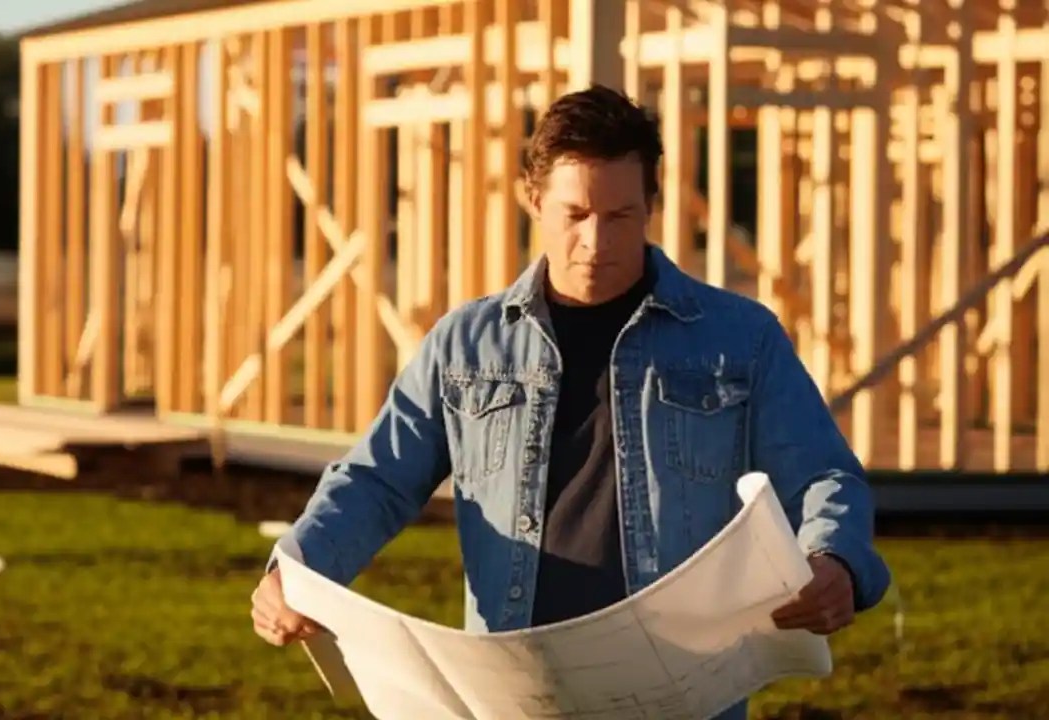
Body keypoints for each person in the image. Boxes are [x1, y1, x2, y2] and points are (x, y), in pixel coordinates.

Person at [250, 84, 891, 718]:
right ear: (535, 201)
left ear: (651, 206)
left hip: (684, 697)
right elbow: (376, 480)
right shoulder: (465, 346)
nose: (597, 243)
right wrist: (299, 568)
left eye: (620, 218)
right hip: (514, 694)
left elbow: (822, 474)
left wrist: (832, 558)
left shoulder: (740, 339)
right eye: (575, 215)